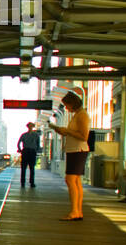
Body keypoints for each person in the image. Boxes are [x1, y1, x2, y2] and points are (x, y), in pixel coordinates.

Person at [48, 89, 89, 221]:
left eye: (67, 105)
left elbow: (84, 136)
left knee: (71, 180)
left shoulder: (82, 115)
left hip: (78, 150)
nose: (66, 108)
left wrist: (68, 131)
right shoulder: (77, 115)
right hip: (74, 151)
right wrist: (59, 129)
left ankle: (75, 211)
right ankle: (77, 211)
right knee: (75, 181)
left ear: (73, 103)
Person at [16, 121, 40, 188]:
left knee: (24, 168)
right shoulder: (36, 135)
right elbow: (38, 144)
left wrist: (20, 150)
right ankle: (31, 183)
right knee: (31, 168)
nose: (30, 127)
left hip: (25, 152)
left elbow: (18, 143)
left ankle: (23, 182)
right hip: (32, 152)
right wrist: (36, 150)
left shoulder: (24, 135)